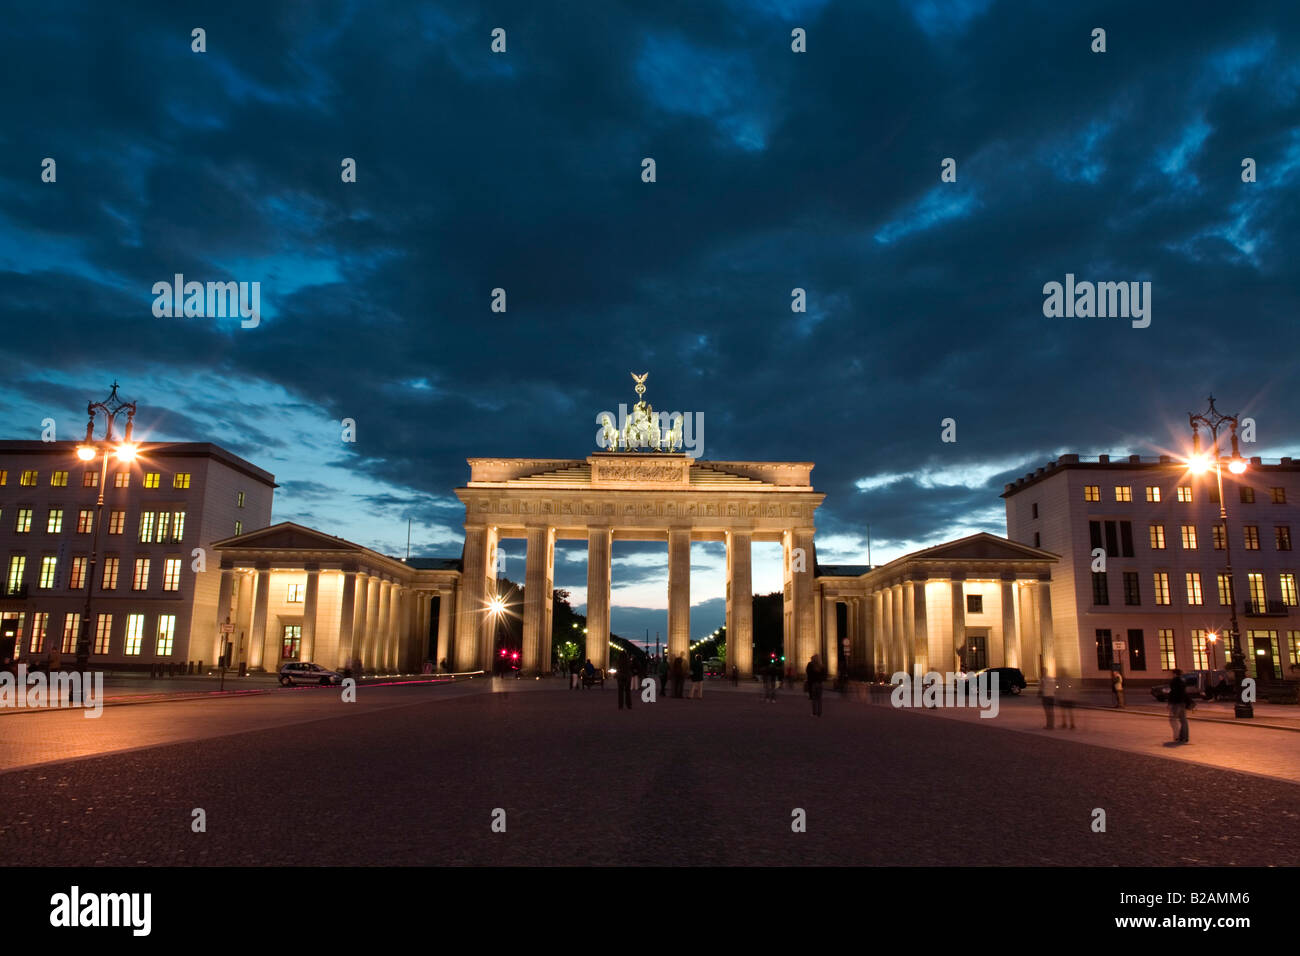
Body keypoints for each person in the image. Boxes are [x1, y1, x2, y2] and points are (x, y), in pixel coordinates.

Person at [1168, 669, 1190, 744]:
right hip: (1182, 703)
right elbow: (1184, 693)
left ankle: (1177, 736)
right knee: (1183, 720)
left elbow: (1173, 693)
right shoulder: (1182, 682)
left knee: (1173, 719)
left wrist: (1169, 703)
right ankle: (1185, 737)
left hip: (1175, 703)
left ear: (1174, 674)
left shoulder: (1174, 682)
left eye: (1172, 673)